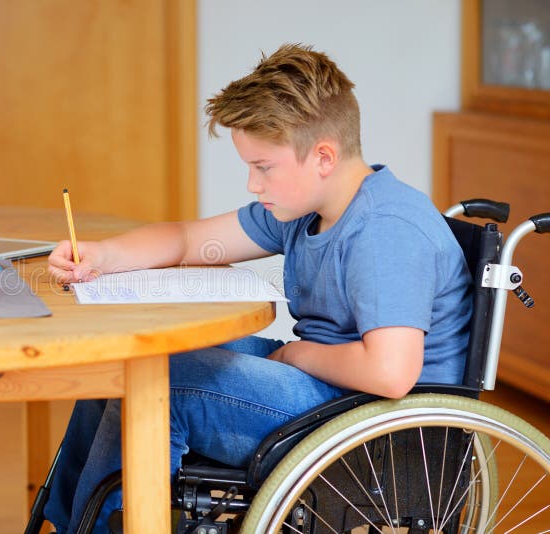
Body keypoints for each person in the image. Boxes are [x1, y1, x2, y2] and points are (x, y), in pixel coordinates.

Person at [43, 43, 472, 533]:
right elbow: (188, 239)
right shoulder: (311, 208)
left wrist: (295, 356)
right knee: (133, 359)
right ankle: (71, 521)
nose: (252, 184)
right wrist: (103, 256)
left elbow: (391, 372)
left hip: (378, 428)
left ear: (323, 157)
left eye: (263, 167)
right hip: (334, 392)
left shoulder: (384, 230)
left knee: (162, 385)